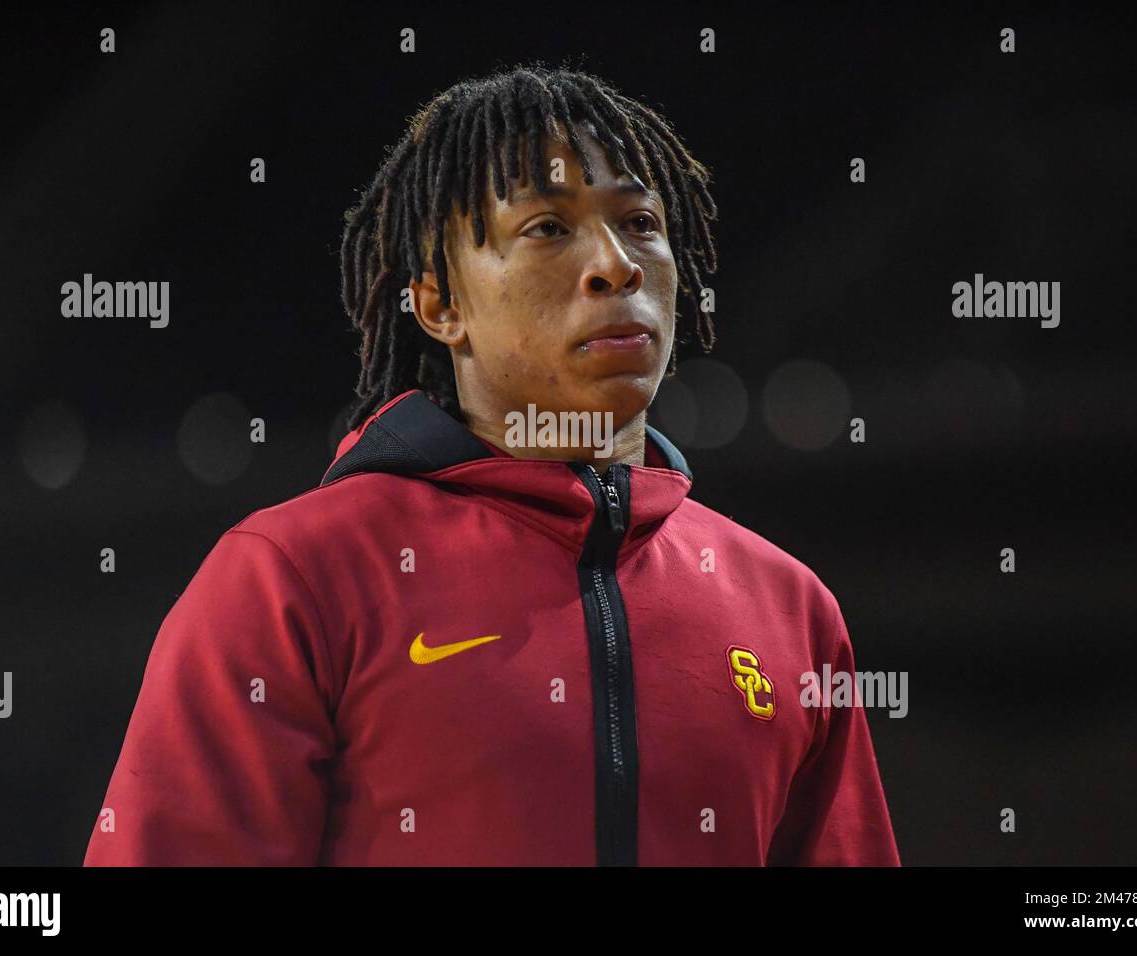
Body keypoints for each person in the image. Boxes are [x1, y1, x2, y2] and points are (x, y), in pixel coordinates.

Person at [84, 63, 900, 866]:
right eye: (547, 228)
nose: (616, 264)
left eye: (642, 223)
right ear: (440, 305)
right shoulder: (292, 578)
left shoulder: (791, 611)